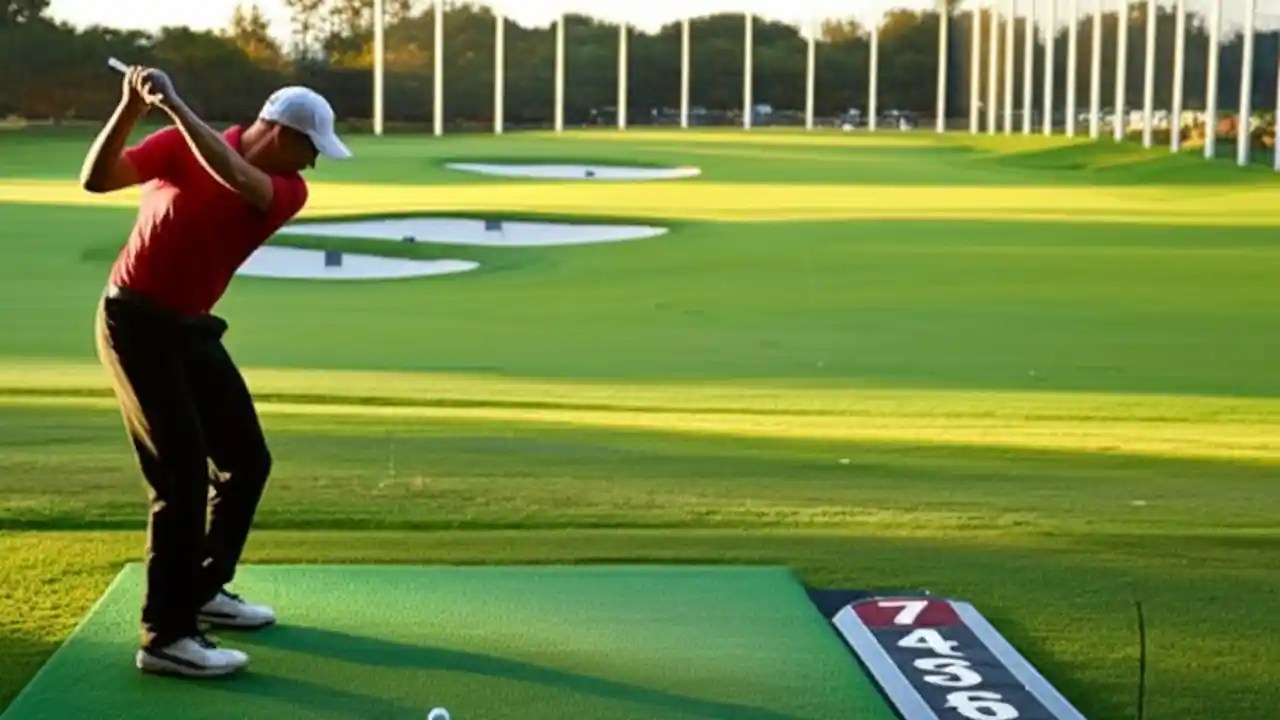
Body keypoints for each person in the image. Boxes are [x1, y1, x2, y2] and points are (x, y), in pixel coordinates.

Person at [80, 64, 352, 678]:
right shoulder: (179, 143)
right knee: (178, 478)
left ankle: (202, 588)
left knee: (246, 459)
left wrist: (176, 105)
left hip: (190, 327)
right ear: (282, 133)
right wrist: (131, 108)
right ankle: (166, 637)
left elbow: (232, 177)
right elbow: (96, 179)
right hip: (133, 322)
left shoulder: (283, 190)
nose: (314, 164)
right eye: (312, 148)